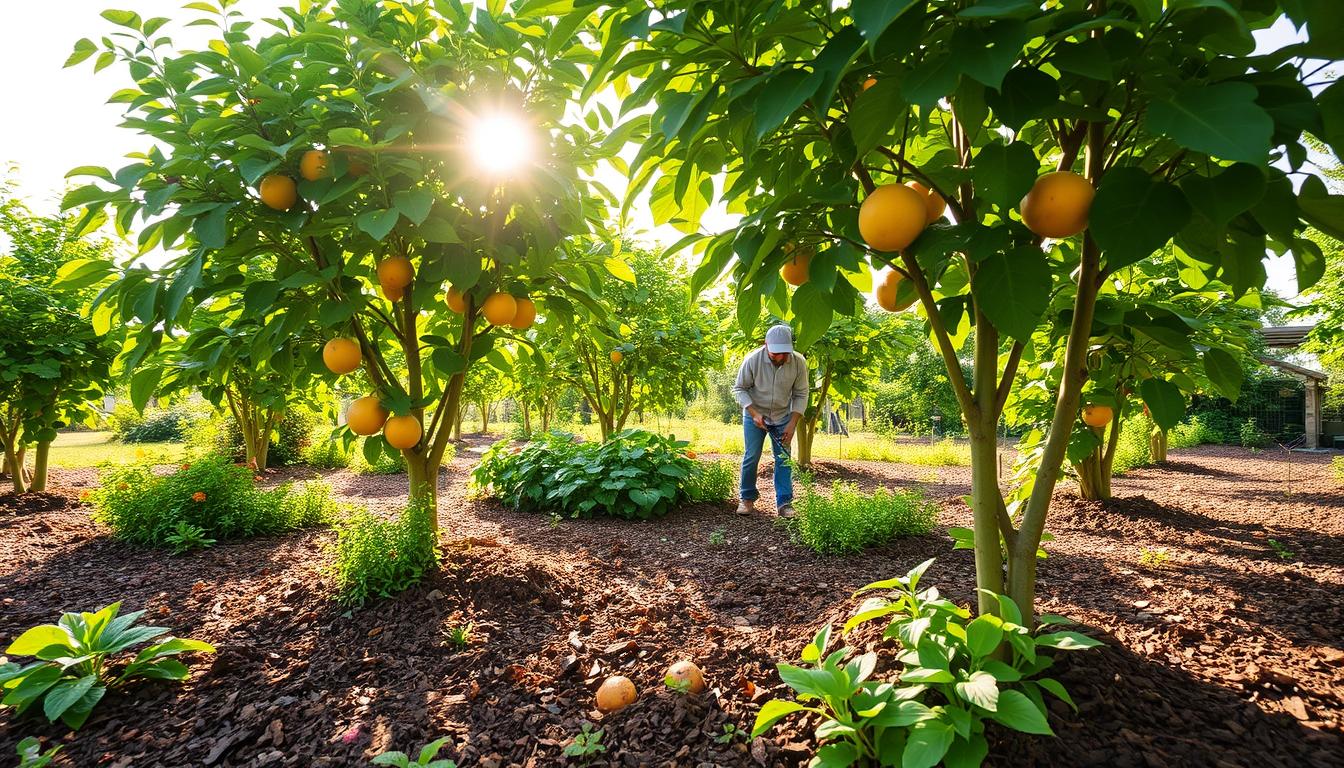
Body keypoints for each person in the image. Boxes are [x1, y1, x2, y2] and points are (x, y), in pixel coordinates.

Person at [731, 324, 809, 517]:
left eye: (785, 353)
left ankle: (784, 503)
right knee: (751, 456)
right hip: (755, 414)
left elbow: (801, 394)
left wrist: (792, 424)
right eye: (776, 354)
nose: (781, 358)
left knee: (783, 459)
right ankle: (747, 498)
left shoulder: (799, 362)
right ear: (766, 345)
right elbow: (739, 389)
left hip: (784, 416)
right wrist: (754, 413)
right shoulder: (752, 360)